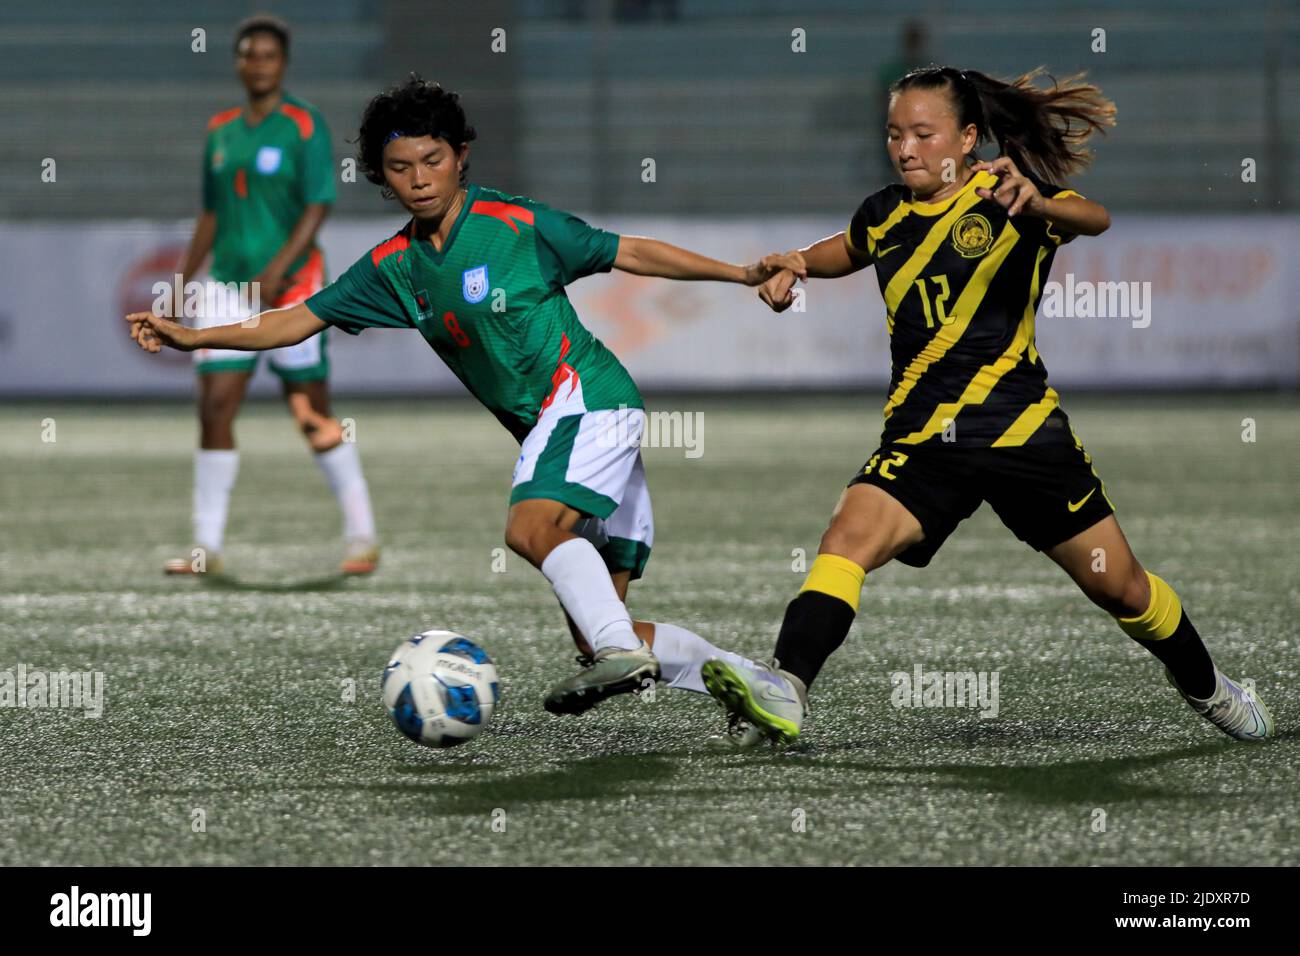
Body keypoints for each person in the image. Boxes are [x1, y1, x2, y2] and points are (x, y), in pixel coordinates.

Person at [128, 75, 805, 727]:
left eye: (432, 159)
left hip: (588, 399)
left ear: (460, 158)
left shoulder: (515, 225)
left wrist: (743, 273)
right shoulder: (395, 267)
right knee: (598, 627)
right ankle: (756, 682)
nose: (419, 178)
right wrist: (193, 336)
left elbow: (628, 252)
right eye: (399, 167)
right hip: (572, 427)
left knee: (530, 531)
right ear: (380, 175)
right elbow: (295, 318)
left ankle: (620, 652)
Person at [702, 65, 1274, 747]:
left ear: (968, 136)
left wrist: (1040, 205)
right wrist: (794, 262)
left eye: (923, 133)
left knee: (1120, 587)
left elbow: (1095, 217)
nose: (906, 148)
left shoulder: (1008, 198)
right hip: (921, 443)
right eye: (894, 134)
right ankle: (786, 688)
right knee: (844, 542)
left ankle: (1208, 687)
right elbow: (846, 250)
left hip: (1022, 436)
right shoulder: (883, 212)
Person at [167, 14, 378, 577]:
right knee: (215, 407)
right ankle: (204, 547)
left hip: (294, 285)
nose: (257, 63)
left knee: (311, 414)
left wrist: (278, 270)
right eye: (248, 55)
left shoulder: (302, 125)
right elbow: (211, 212)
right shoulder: (220, 130)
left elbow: (318, 204)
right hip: (229, 286)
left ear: (283, 63)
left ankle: (362, 537)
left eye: (267, 55)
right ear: (237, 62)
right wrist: (186, 278)